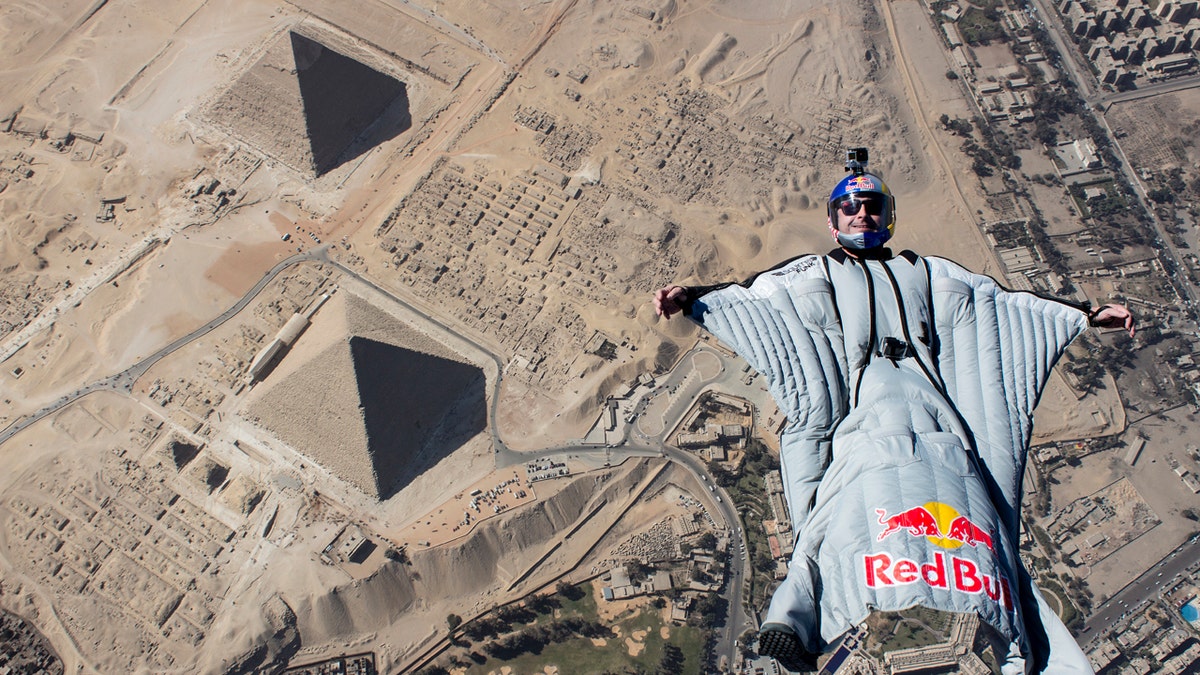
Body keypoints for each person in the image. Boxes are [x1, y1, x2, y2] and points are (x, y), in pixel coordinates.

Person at [654, 157, 1133, 673]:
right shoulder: (808, 276)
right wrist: (690, 298)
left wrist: (1084, 315)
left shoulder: (930, 272)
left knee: (989, 524)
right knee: (824, 515)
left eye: (871, 206)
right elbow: (751, 296)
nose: (861, 215)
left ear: (889, 216)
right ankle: (795, 621)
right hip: (854, 421)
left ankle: (1026, 648)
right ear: (833, 221)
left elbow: (1003, 304)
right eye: (849, 208)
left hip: (940, 423)